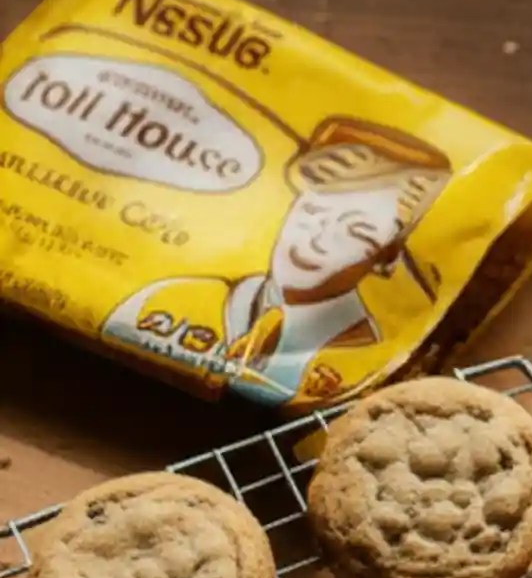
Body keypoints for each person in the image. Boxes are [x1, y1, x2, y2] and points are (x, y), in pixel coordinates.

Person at [102, 118, 452, 407]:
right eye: (313, 211)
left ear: (386, 259)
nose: (316, 238)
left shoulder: (373, 367)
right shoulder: (168, 299)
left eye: (355, 231)